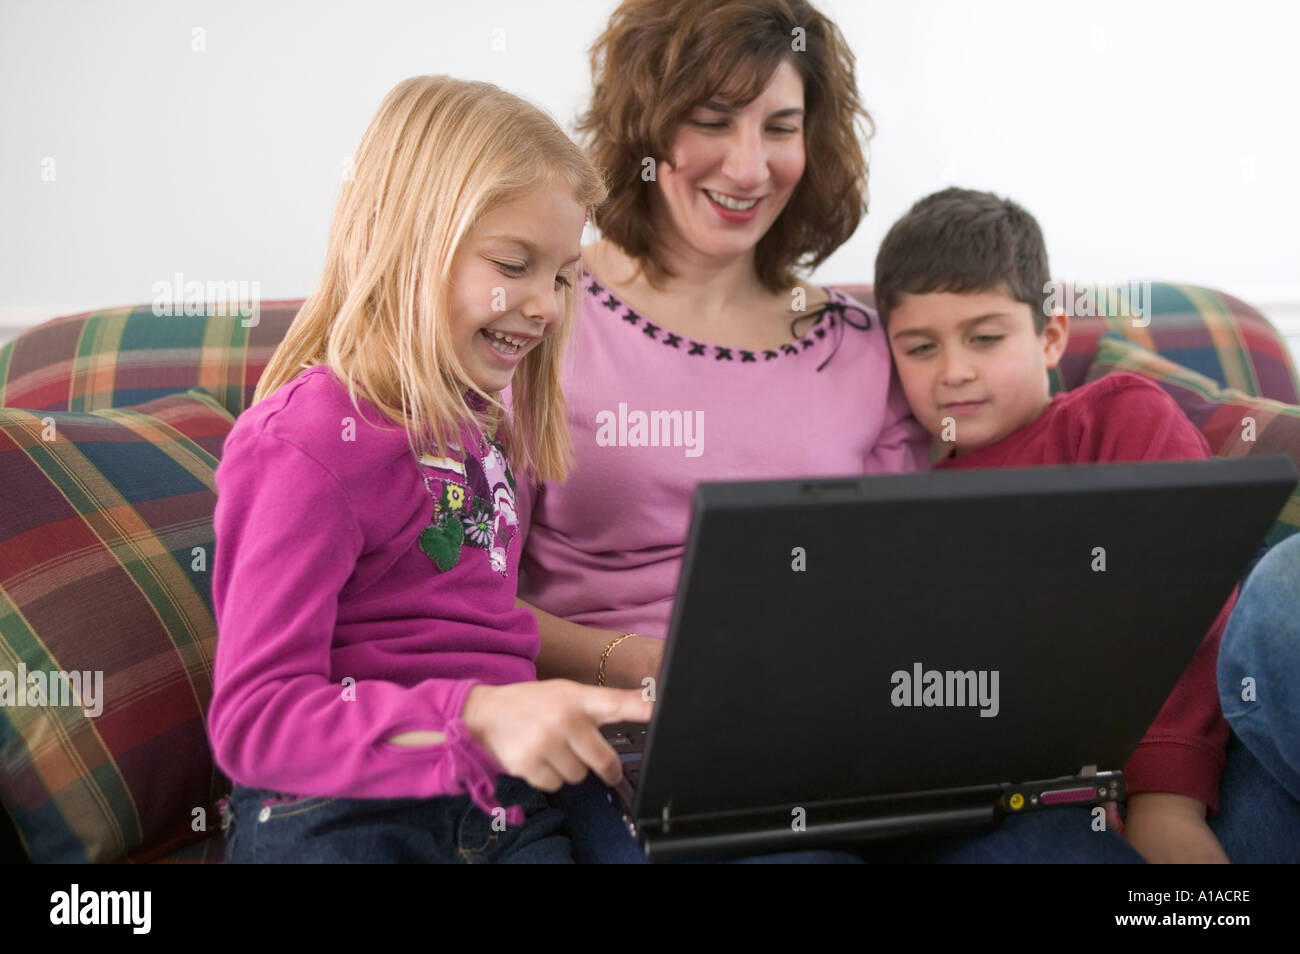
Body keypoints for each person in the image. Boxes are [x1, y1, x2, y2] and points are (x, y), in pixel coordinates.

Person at [512, 0, 932, 864]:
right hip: (633, 737)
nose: (749, 166)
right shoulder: (542, 317)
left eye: (781, 126)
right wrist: (647, 664)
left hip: (843, 728)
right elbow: (466, 599)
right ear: (645, 128)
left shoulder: (859, 344)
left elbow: (909, 576)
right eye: (712, 122)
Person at [207, 75, 651, 864]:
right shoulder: (304, 443)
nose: (547, 306)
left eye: (560, 276)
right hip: (339, 812)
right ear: (403, 239)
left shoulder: (482, 431)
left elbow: (473, 625)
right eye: (514, 264)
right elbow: (257, 721)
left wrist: (623, 668)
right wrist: (475, 717)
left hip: (504, 808)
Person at [873, 185, 1300, 862]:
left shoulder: (1115, 418)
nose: (954, 371)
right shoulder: (906, 503)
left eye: (985, 337)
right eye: (919, 348)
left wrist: (1166, 794)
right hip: (1050, 802)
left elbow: (1190, 598)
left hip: (1209, 747)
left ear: (1049, 337)